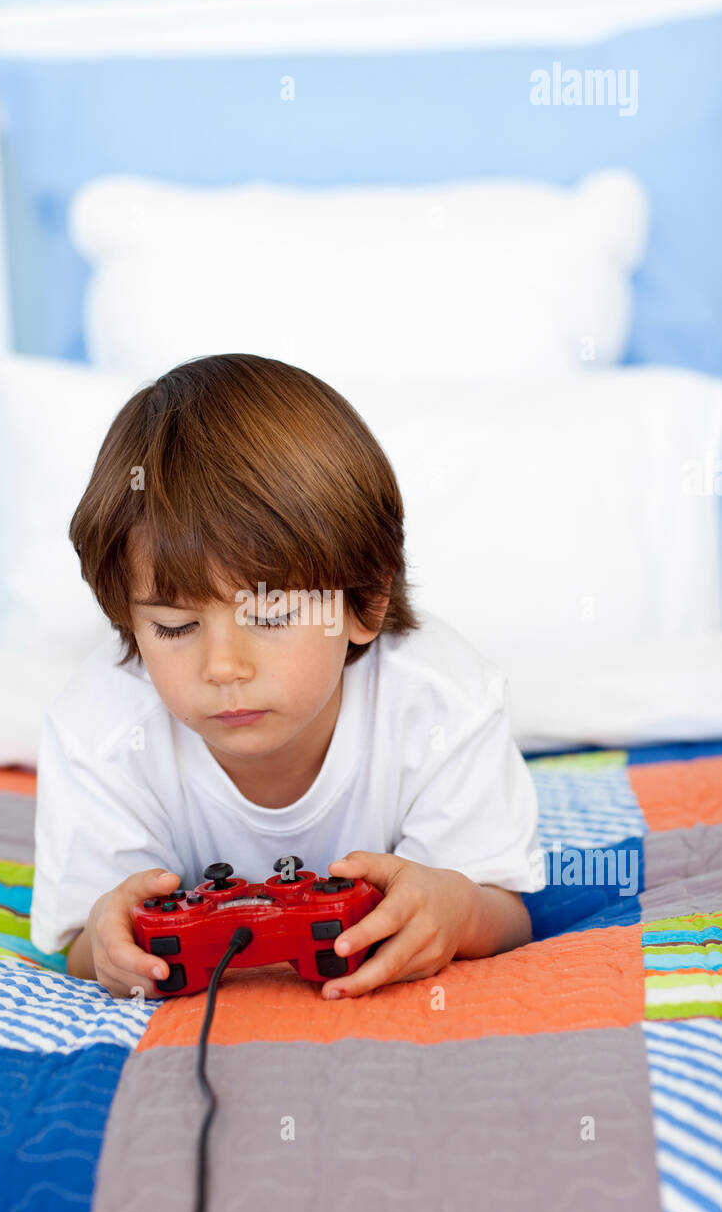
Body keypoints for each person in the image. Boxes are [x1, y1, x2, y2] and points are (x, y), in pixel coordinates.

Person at [30, 353, 542, 1000]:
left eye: (271, 616)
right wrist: (107, 941)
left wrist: (459, 910)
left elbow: (506, 910)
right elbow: (85, 943)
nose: (222, 667)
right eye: (174, 628)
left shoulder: (444, 701)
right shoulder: (96, 731)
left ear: (364, 604)